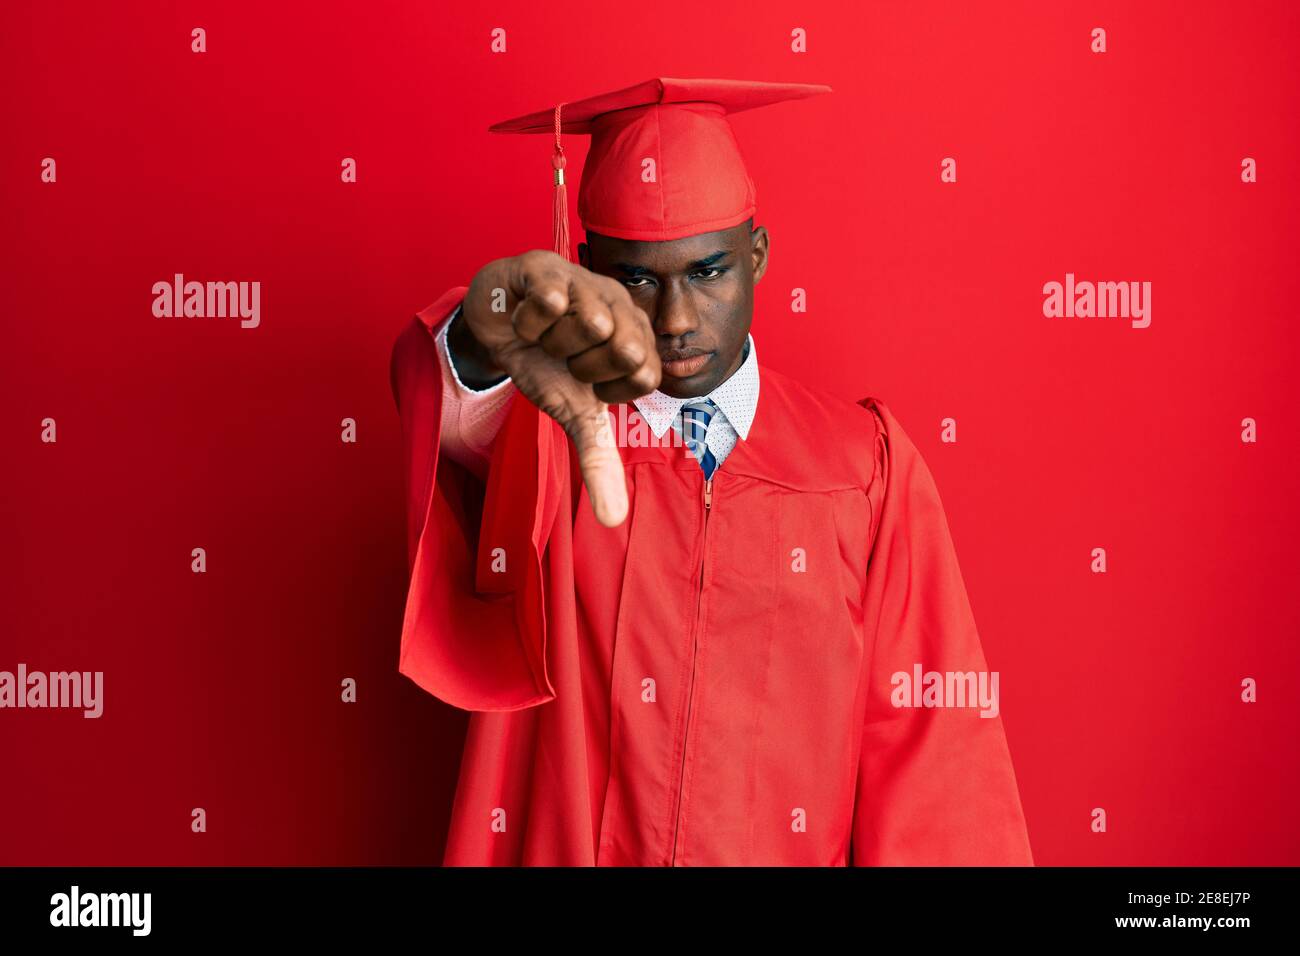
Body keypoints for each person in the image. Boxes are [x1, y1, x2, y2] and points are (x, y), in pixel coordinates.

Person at [389, 77, 1034, 866]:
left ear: (757, 256)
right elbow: (454, 402)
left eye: (707, 272)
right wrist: (485, 330)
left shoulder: (861, 468)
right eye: (637, 279)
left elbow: (932, 759)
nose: (678, 320)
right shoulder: (549, 436)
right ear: (589, 267)